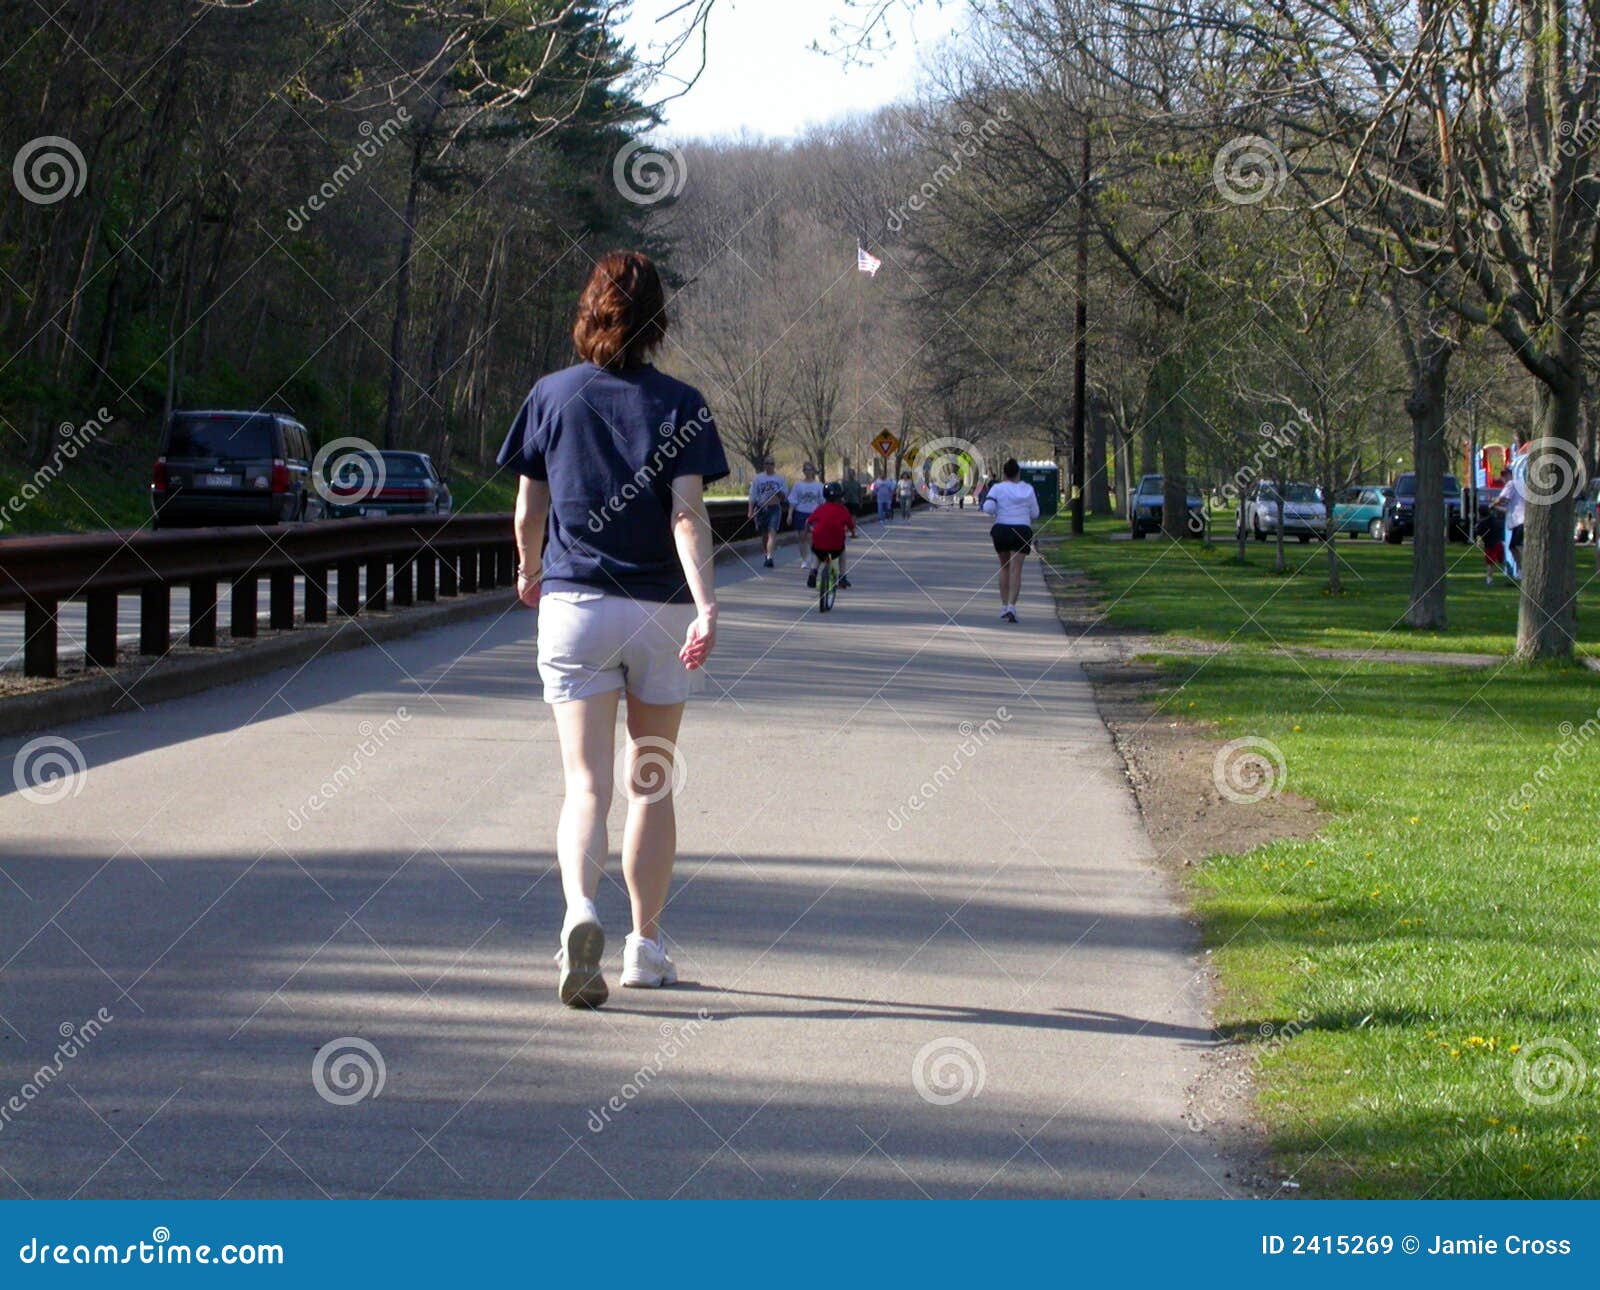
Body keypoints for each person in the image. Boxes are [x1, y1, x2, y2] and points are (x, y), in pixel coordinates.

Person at [499, 250, 728, 1009]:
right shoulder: (681, 405)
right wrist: (706, 604)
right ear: (659, 319)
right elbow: (687, 516)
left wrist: (530, 570)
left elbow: (530, 511)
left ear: (590, 310)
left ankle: (580, 913)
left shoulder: (551, 397)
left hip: (574, 609)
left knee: (586, 785)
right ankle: (646, 947)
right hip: (659, 610)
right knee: (651, 782)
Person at [982, 458, 1041, 623]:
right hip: (1022, 529)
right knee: (1017, 569)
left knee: (1004, 567)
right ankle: (1012, 606)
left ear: (1004, 473)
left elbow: (988, 508)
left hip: (1002, 529)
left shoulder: (997, 488)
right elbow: (1035, 513)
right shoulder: (1028, 489)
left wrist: (999, 510)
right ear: (1018, 473)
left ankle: (1003, 605)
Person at [805, 482, 857, 589]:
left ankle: (813, 572)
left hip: (819, 542)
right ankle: (842, 577)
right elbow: (851, 525)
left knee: (817, 554)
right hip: (836, 545)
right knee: (842, 553)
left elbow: (808, 521)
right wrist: (853, 533)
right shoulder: (843, 510)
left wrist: (808, 531)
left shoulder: (821, 508)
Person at [748, 456, 787, 568]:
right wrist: (750, 511)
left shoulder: (780, 479)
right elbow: (753, 495)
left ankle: (770, 557)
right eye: (766, 463)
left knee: (772, 532)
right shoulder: (758, 479)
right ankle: (766, 554)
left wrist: (779, 493)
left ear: (774, 465)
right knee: (764, 535)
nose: (769, 465)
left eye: (771, 463)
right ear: (764, 465)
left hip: (774, 508)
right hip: (761, 508)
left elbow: (784, 496)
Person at [787, 462, 825, 575]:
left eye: (810, 469)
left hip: (814, 514)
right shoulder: (798, 485)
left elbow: (822, 502)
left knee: (812, 537)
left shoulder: (819, 485)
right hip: (800, 513)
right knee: (802, 537)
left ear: (813, 471)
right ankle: (804, 559)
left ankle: (812, 556)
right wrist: (790, 514)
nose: (808, 472)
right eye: (806, 470)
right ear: (803, 471)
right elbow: (793, 501)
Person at [1494, 466, 1525, 582]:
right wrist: (1497, 508)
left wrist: (1492, 505)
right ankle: (1521, 570)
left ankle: (1525, 570)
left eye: (1504, 474)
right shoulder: (1519, 486)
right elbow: (1508, 509)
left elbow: (1500, 499)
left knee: (1518, 546)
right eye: (1502, 475)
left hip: (1521, 520)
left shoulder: (1512, 484)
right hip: (1517, 520)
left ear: (1510, 474)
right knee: (1513, 547)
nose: (1503, 478)